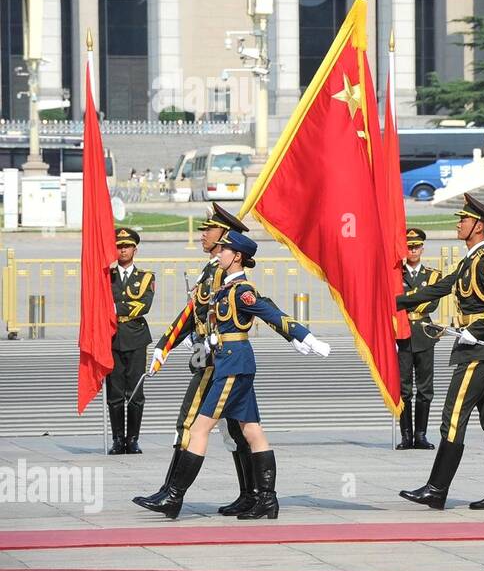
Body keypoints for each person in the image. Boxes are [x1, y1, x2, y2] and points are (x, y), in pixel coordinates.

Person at [139, 231, 331, 519]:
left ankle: (174, 496)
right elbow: (199, 316)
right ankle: (267, 499)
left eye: (225, 250)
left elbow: (270, 313)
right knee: (251, 430)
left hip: (232, 365)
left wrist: (304, 337)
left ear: (237, 256)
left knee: (199, 429)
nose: (220, 254)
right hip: (233, 363)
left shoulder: (242, 290)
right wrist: (178, 343)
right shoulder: (223, 289)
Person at [399, 193, 484, 510]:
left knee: (452, 417)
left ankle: (437, 489)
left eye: (464, 220)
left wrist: (474, 330)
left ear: (478, 226)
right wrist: (394, 301)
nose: (459, 223)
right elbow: (440, 287)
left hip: (480, 350)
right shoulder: (469, 261)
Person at [134, 203, 254, 515]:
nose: (202, 234)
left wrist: (200, 341)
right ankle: (250, 495)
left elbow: (208, 315)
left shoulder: (220, 273)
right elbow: (190, 314)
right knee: (236, 430)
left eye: (208, 229)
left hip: (215, 362)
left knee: (190, 424)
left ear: (224, 235)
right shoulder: (211, 270)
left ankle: (172, 496)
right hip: (209, 359)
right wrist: (164, 346)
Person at [106, 228, 155, 455]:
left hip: (136, 337)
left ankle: (132, 439)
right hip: (112, 337)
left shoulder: (146, 277)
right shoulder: (107, 276)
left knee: (135, 391)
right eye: (119, 246)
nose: (123, 250)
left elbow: (143, 305)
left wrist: (115, 307)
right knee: (115, 392)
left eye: (127, 246)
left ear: (135, 249)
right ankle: (117, 439)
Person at [396, 227, 441, 450]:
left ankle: (421, 435)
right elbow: (392, 300)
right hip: (402, 333)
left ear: (422, 248)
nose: (413, 250)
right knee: (404, 389)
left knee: (425, 388)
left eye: (416, 246)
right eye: (409, 247)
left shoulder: (432, 275)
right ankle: (406, 435)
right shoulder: (395, 274)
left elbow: (432, 301)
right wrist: (408, 300)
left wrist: (405, 300)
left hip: (424, 332)